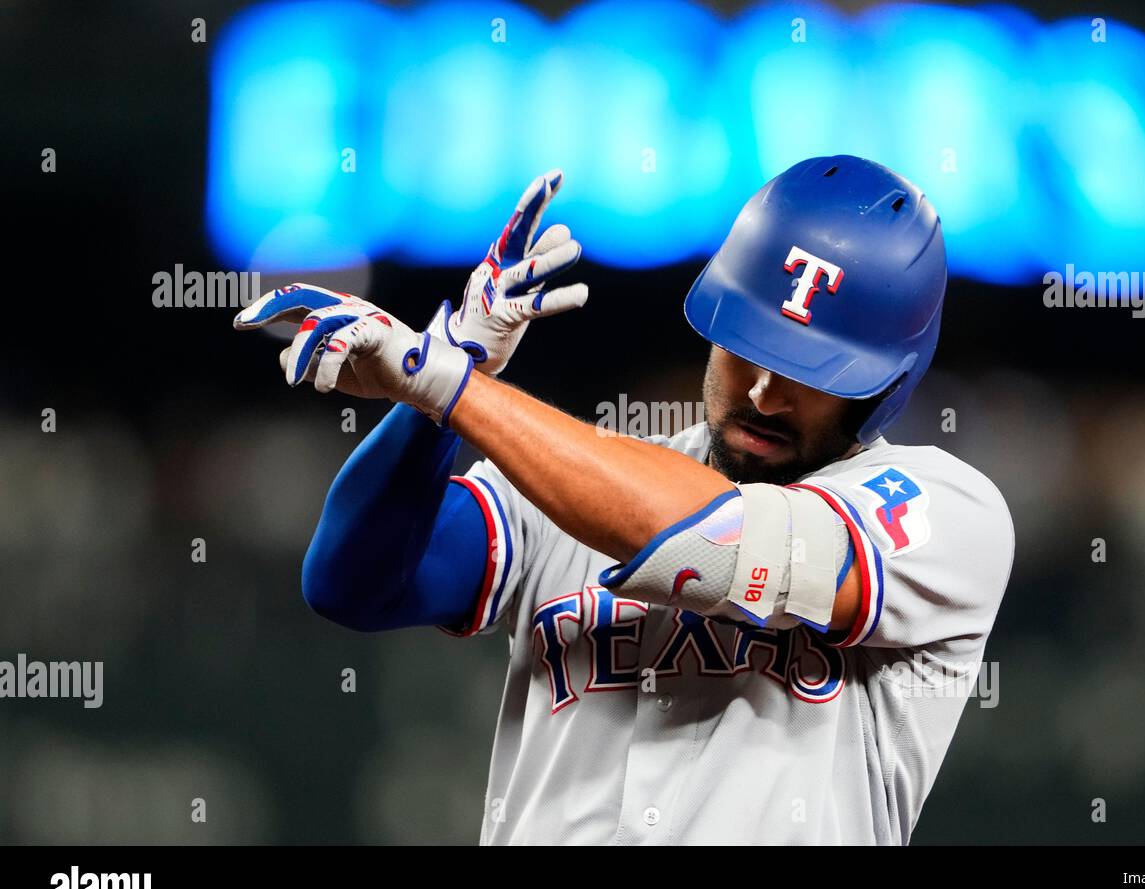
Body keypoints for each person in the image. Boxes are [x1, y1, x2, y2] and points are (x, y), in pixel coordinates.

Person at [234, 156, 1014, 845]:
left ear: (890, 382)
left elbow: (718, 546)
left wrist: (453, 389)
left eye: (813, 369)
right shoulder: (573, 476)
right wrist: (432, 396)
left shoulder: (947, 512)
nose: (767, 391)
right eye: (748, 346)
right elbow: (352, 582)